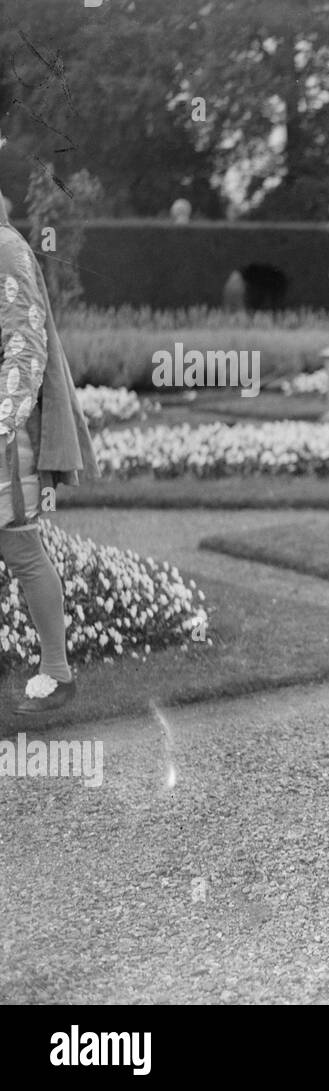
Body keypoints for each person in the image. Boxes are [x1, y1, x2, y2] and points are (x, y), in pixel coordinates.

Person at [0, 184, 100, 714]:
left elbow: (26, 341)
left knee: (19, 548)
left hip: (3, 433)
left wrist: (4, 418)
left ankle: (58, 673)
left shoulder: (5, 247)